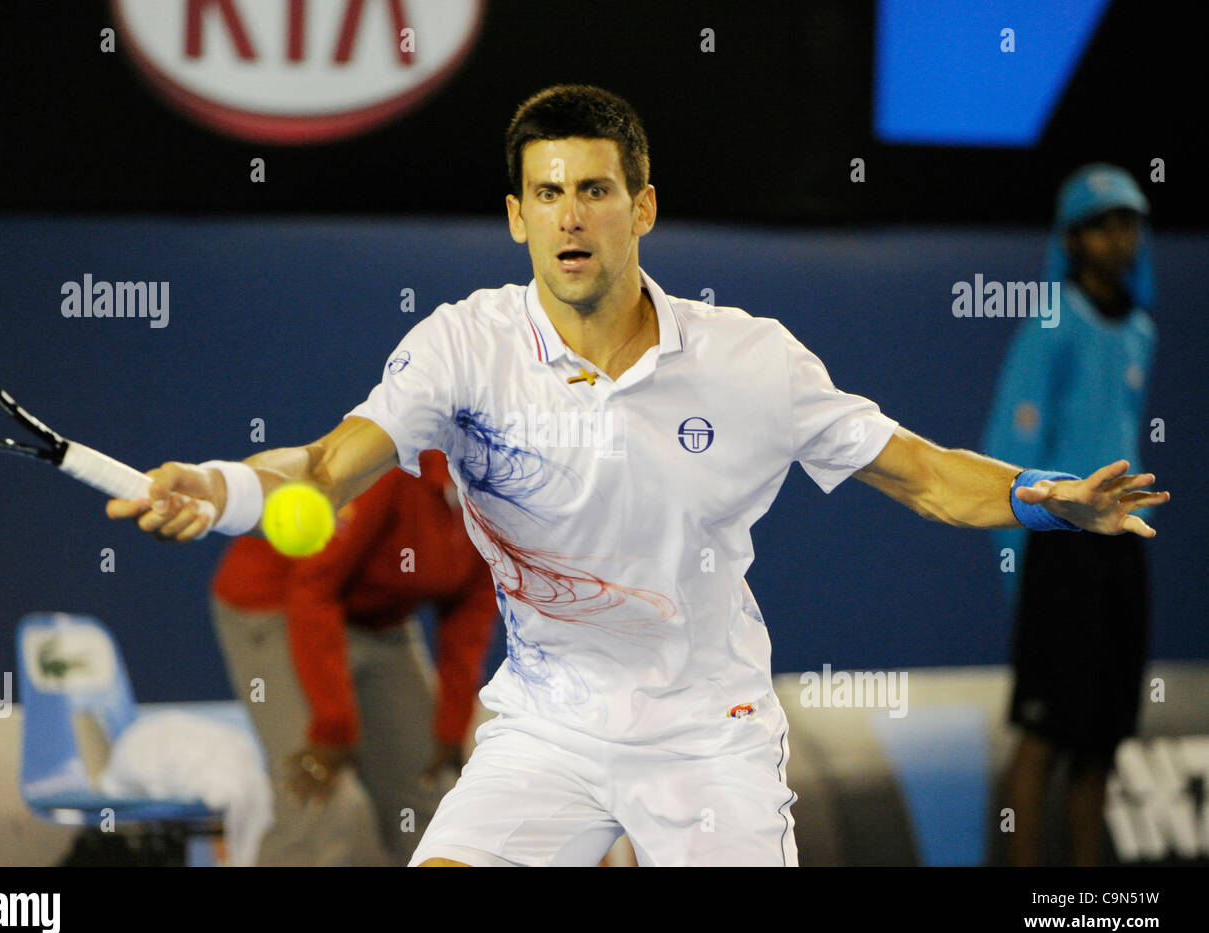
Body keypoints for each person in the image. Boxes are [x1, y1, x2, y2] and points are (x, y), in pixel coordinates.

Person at [108, 85, 1170, 867]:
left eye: (596, 191)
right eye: (548, 194)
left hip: (710, 733)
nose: (572, 216)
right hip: (546, 725)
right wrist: (220, 483)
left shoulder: (752, 360)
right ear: (516, 216)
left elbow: (928, 477)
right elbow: (327, 466)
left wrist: (1047, 495)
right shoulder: (460, 346)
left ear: (642, 207)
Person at [982, 164, 1158, 866]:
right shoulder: (1052, 325)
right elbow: (1008, 450)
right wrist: (1023, 567)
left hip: (1122, 552)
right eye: (1107, 225)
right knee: (1043, 737)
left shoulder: (1140, 330)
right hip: (1061, 549)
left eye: (1131, 224)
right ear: (1074, 240)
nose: (1123, 238)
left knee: (1101, 744)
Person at [210, 449, 497, 865]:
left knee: (432, 790)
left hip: (380, 620)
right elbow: (314, 590)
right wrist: (333, 726)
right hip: (278, 605)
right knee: (325, 801)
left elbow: (472, 607)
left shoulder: (508, 491)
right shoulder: (391, 470)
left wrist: (453, 724)